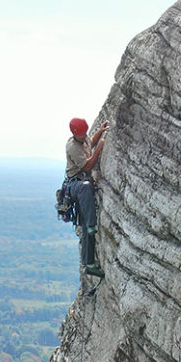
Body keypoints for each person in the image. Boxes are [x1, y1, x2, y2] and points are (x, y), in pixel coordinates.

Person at [65, 117, 109, 278]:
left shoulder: (82, 139)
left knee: (87, 231)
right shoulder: (72, 147)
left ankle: (89, 264)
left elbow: (91, 142)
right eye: (82, 134)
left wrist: (101, 130)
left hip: (82, 182)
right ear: (75, 134)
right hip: (76, 184)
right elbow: (88, 166)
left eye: (85, 133)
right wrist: (101, 147)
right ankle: (91, 224)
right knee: (86, 187)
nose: (85, 136)